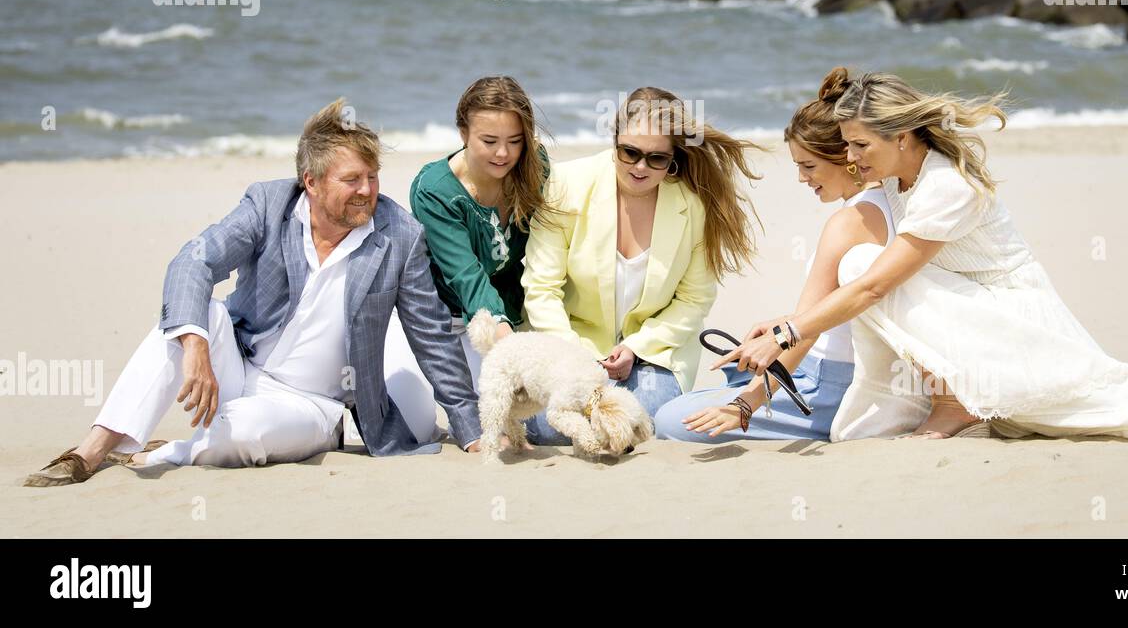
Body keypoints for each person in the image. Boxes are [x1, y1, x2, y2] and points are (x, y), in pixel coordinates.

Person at [718, 72, 1128, 441]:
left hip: (1010, 314)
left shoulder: (944, 185)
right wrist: (787, 323)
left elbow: (874, 288)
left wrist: (790, 334)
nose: (852, 160)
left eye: (860, 146)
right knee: (864, 421)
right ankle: (937, 399)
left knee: (863, 268)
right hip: (965, 308)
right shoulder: (900, 179)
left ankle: (953, 402)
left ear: (901, 135)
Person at [25, 100, 482, 488]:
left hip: (309, 405)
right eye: (352, 180)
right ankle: (92, 450)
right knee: (192, 316)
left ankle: (163, 454)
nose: (368, 191)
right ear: (312, 181)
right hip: (238, 366)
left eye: (373, 177)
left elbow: (431, 336)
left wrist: (470, 428)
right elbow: (194, 261)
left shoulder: (399, 234)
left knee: (244, 434)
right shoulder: (267, 205)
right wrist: (197, 344)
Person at [655, 67, 928, 442]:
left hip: (829, 385)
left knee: (671, 421)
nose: (802, 178)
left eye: (808, 165)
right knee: (735, 373)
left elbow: (806, 337)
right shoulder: (898, 202)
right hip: (860, 370)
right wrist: (785, 322)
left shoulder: (848, 222)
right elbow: (850, 305)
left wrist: (746, 406)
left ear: (845, 156)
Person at [520, 87, 763, 445]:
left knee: (644, 419)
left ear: (673, 158)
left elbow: (694, 301)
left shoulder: (692, 206)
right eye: (629, 152)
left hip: (654, 354)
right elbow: (541, 289)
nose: (639, 167)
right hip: (569, 347)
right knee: (547, 429)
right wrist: (577, 358)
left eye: (656, 159)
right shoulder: (565, 184)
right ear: (614, 141)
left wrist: (636, 347)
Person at [384, 75, 553, 442]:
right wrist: (506, 342)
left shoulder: (535, 166)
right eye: (489, 141)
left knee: (536, 423)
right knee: (413, 427)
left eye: (515, 141)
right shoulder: (435, 190)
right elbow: (466, 275)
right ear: (463, 133)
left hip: (509, 313)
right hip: (443, 318)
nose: (503, 154)